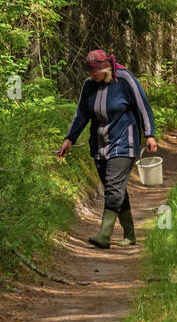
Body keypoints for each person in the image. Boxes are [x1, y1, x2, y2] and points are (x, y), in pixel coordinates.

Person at [56, 48, 157, 250]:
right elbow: (81, 114)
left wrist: (150, 134)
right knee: (115, 188)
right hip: (100, 144)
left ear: (107, 67)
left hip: (124, 141)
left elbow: (143, 105)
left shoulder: (125, 80)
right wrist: (69, 139)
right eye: (90, 73)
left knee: (113, 186)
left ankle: (104, 235)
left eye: (96, 72)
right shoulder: (88, 86)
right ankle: (130, 235)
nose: (92, 76)